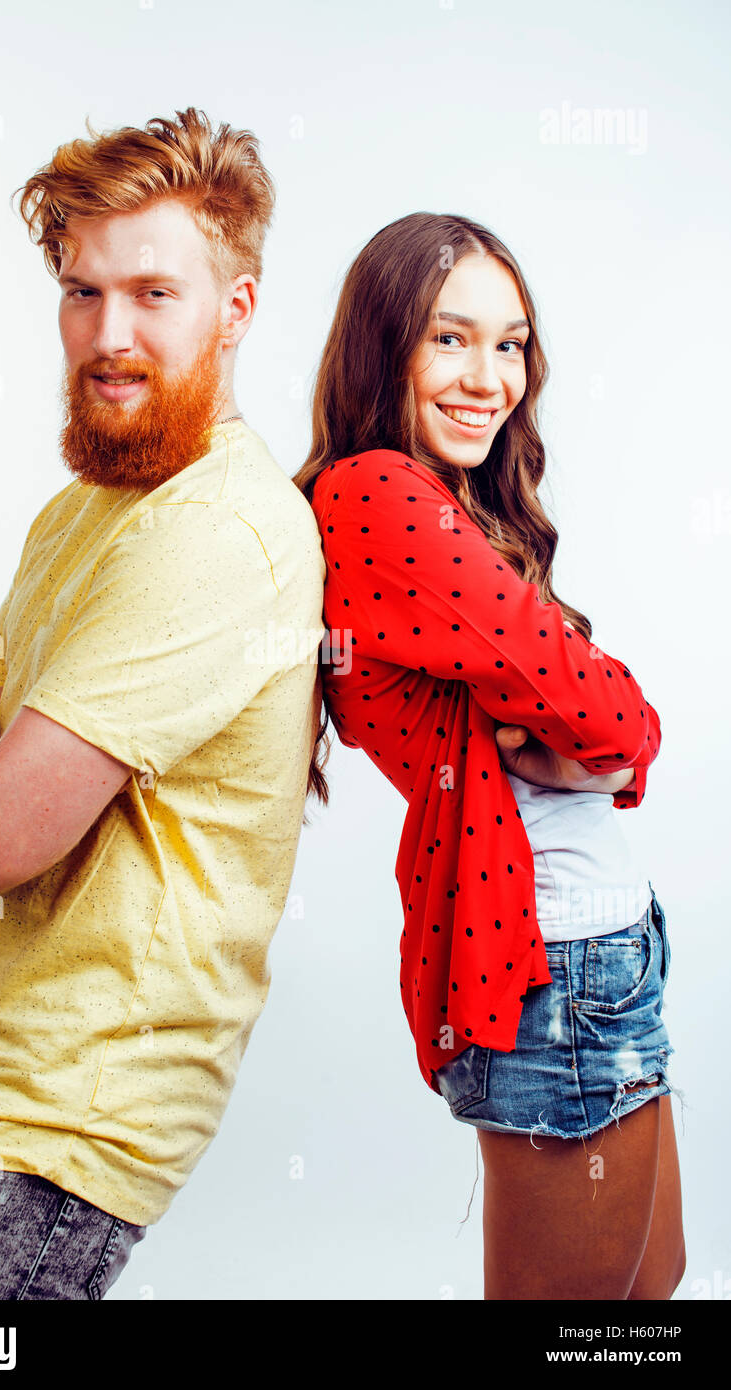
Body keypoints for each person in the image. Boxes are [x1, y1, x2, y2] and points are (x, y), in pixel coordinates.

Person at [0, 107, 326, 1300]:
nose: (105, 336)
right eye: (81, 292)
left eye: (152, 294)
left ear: (236, 307)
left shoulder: (219, 536)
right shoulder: (86, 506)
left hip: (48, 1131)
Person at [293, 212, 685, 1300]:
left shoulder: (456, 501)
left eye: (508, 344)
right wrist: (618, 747)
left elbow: (580, 718)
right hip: (551, 969)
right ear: (385, 344)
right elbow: (611, 719)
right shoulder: (375, 494)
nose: (488, 377)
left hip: (606, 949)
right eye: (449, 339)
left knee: (648, 1288)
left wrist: (598, 746)